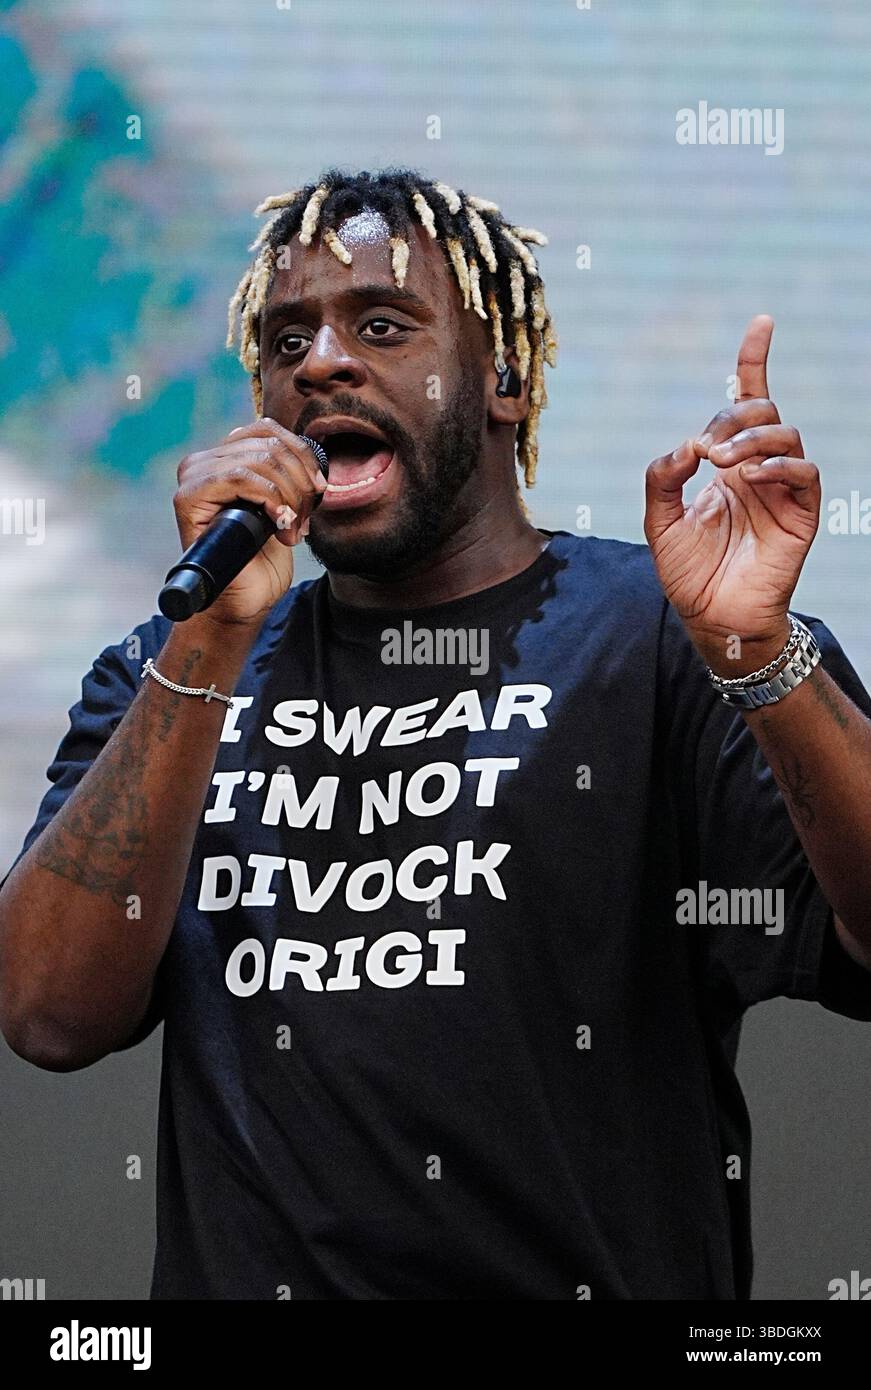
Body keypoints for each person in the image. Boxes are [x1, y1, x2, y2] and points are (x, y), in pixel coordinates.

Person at [2, 167, 870, 1301]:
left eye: (379, 323)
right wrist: (209, 642)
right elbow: (47, 1012)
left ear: (503, 377)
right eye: (284, 340)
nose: (319, 362)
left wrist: (758, 653)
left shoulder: (660, 636)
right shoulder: (165, 672)